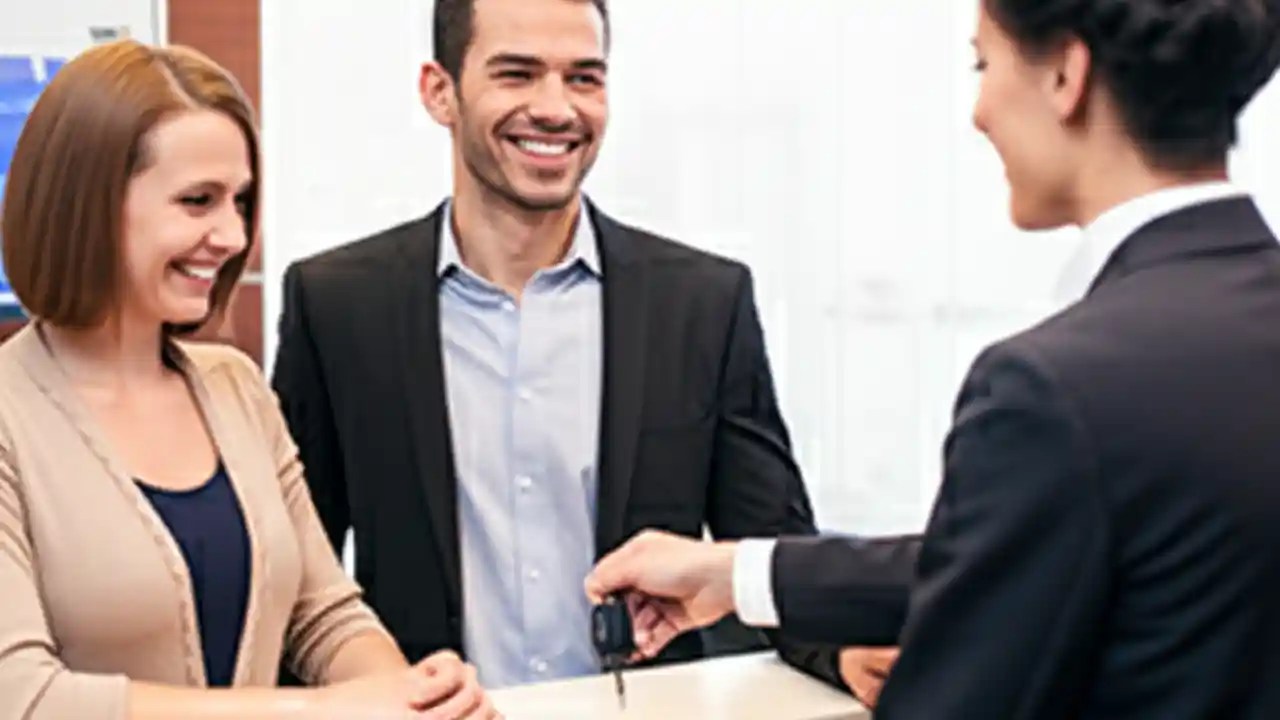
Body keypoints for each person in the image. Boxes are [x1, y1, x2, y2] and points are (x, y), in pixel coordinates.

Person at [585, 0, 1280, 717]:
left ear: (1067, 75)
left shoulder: (1052, 388)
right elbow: (1042, 550)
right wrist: (738, 573)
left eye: (985, 63)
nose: (978, 111)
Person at [270, 0, 847, 693]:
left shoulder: (703, 304)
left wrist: (847, 656)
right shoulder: (336, 307)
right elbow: (295, 588)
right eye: (517, 74)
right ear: (439, 91)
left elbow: (770, 555)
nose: (555, 108)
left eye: (584, 78)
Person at [0, 39, 495, 719]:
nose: (234, 236)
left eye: (241, 202)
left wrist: (415, 697)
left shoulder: (235, 387)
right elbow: (25, 697)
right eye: (198, 201)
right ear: (87, 204)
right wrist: (334, 712)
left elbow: (326, 617)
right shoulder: (9, 414)